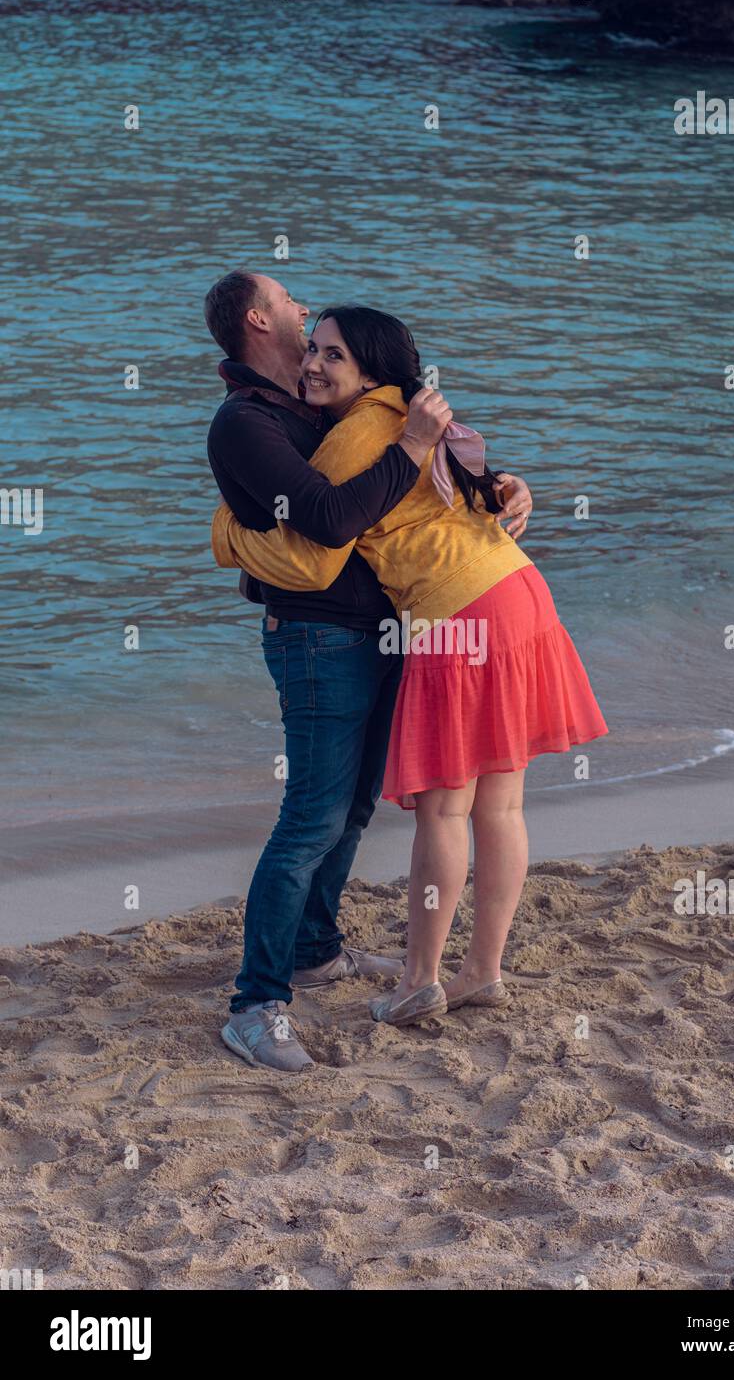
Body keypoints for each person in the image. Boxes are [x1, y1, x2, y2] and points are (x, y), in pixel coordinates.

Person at [211, 305, 608, 1031]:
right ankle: (481, 971)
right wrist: (515, 485)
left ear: (371, 371)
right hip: (519, 589)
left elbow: (315, 544)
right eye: (315, 351)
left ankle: (420, 980)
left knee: (445, 810)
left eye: (334, 355)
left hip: (458, 611)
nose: (315, 365)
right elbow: (477, 490)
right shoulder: (421, 414)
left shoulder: (357, 434)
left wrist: (227, 534)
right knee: (503, 805)